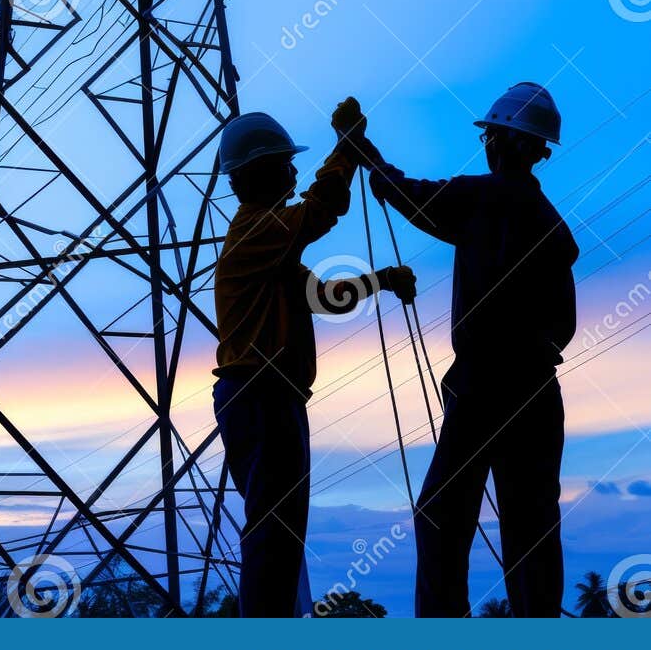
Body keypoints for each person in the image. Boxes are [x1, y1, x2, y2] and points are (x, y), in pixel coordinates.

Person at [339, 83, 578, 618]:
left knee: (442, 515)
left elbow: (410, 197)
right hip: (538, 390)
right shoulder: (551, 224)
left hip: (483, 385)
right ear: (540, 148)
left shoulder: (482, 197)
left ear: (502, 139)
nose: (487, 144)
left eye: (490, 134)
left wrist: (363, 150)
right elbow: (564, 326)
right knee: (532, 525)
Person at [212, 102, 416, 617]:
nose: (294, 171)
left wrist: (381, 280)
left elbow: (325, 298)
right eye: (285, 163)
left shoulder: (270, 248)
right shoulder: (258, 234)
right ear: (259, 175)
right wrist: (345, 149)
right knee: (273, 534)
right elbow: (322, 209)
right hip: (262, 396)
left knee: (277, 533)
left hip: (264, 397)